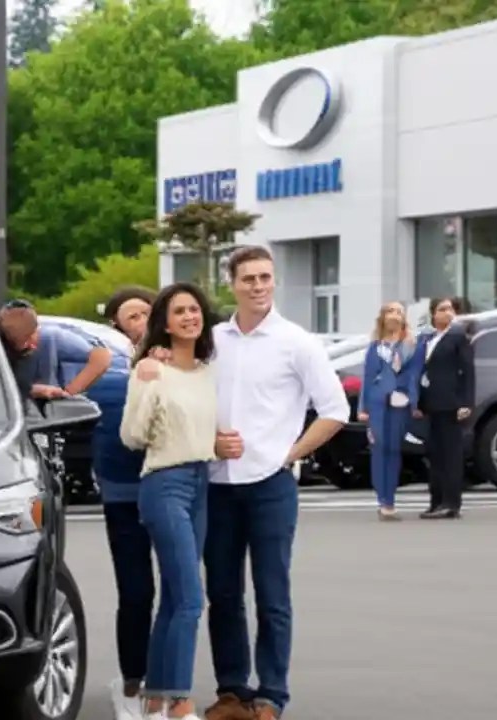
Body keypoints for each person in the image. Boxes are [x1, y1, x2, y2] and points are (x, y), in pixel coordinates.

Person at [142, 245, 349, 720]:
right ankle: (232, 690)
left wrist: (289, 454)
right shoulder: (214, 340)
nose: (258, 286)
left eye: (265, 277)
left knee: (273, 594)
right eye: (248, 278)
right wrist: (157, 357)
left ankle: (271, 694)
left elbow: (336, 409)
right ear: (231, 283)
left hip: (270, 484)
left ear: (274, 281)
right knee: (224, 595)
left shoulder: (296, 342)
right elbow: (180, 379)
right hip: (214, 484)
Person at [119, 282, 219, 720]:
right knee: (192, 600)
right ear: (165, 321)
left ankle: (155, 697)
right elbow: (131, 435)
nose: (189, 317)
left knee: (177, 599)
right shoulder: (151, 371)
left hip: (202, 482)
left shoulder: (207, 371)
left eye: (194, 309)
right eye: (179, 311)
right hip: (165, 483)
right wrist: (144, 382)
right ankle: (180, 701)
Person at [92, 287, 158, 716]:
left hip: (177, 486)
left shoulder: (186, 361)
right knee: (136, 591)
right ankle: (133, 680)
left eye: (147, 312)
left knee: (182, 593)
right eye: (131, 315)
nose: (140, 320)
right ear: (117, 325)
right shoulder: (105, 369)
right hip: (122, 492)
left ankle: (168, 683)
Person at [358, 301, 424, 521]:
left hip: (400, 404)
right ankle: (382, 500)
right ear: (383, 317)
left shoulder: (412, 345)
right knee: (379, 449)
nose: (394, 315)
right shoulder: (375, 347)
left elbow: (415, 375)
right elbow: (367, 379)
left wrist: (413, 403)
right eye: (390, 311)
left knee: (393, 450)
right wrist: (363, 408)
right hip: (377, 404)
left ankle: (391, 500)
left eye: (399, 312)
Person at [417, 295, 474, 520]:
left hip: (451, 404)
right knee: (436, 455)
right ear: (433, 314)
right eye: (442, 309)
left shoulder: (458, 338)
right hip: (433, 405)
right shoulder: (430, 338)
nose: (448, 313)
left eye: (450, 309)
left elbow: (468, 372)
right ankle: (436, 501)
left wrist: (466, 402)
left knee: (451, 456)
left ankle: (451, 503)